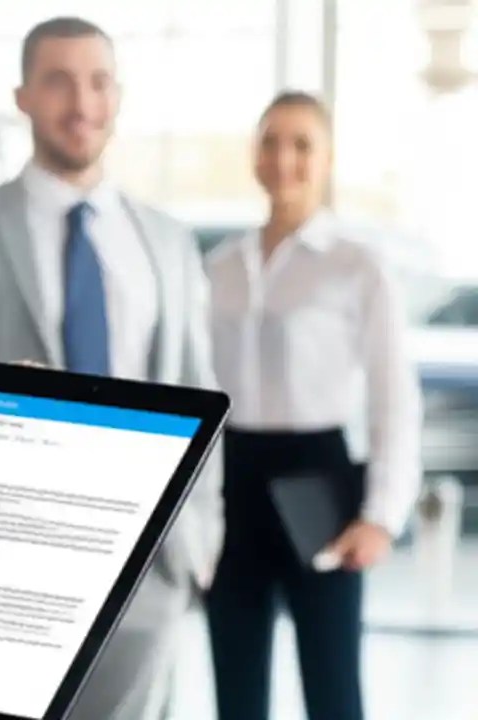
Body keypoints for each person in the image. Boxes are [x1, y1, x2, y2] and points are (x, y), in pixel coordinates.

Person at [0, 16, 222, 720]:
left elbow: (201, 392)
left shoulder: (168, 241)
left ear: (118, 95)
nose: (80, 103)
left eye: (97, 82)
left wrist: (198, 546)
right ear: (23, 95)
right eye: (58, 80)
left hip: (148, 569)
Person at [204, 91, 422, 720]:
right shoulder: (220, 267)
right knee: (235, 684)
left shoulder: (358, 266)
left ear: (327, 159)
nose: (284, 158)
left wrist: (381, 515)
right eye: (271, 141)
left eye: (302, 144)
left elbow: (392, 396)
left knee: (332, 688)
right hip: (233, 477)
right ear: (254, 154)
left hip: (318, 481)